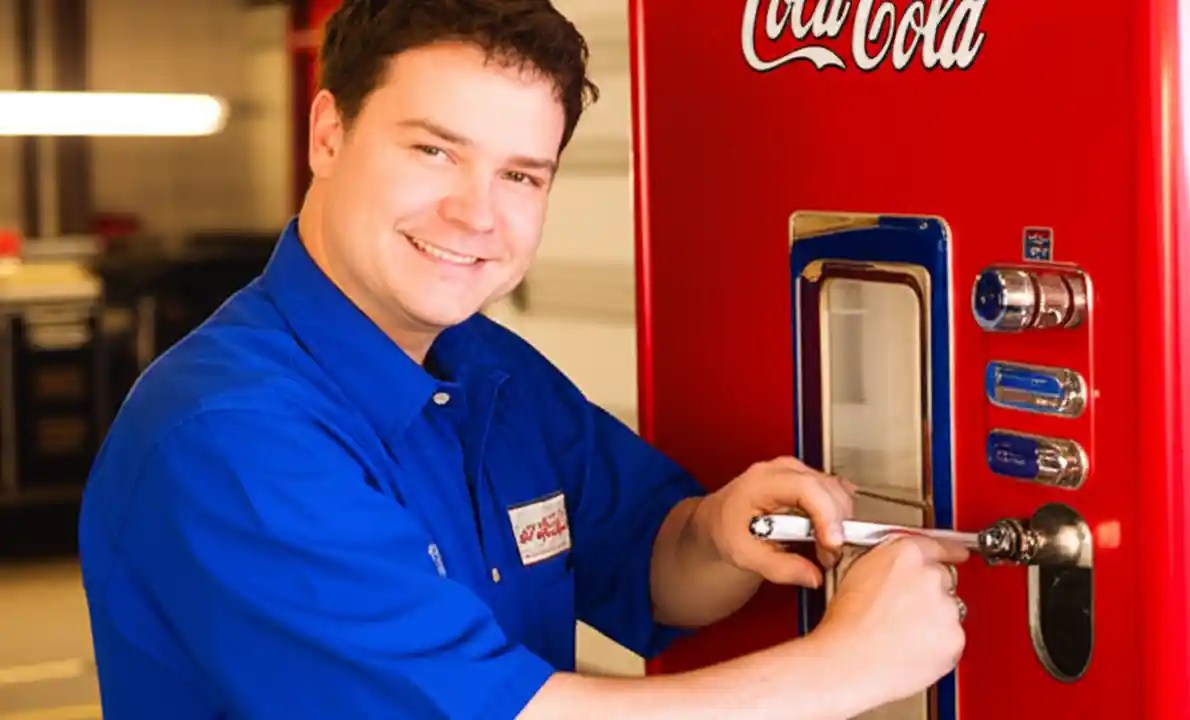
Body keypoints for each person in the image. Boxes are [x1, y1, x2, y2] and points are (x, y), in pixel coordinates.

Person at [78, 1, 969, 717]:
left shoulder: (485, 368)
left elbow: (651, 563)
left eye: (520, 175)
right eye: (433, 150)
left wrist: (724, 533)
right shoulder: (230, 436)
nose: (477, 215)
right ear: (327, 133)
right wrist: (851, 665)